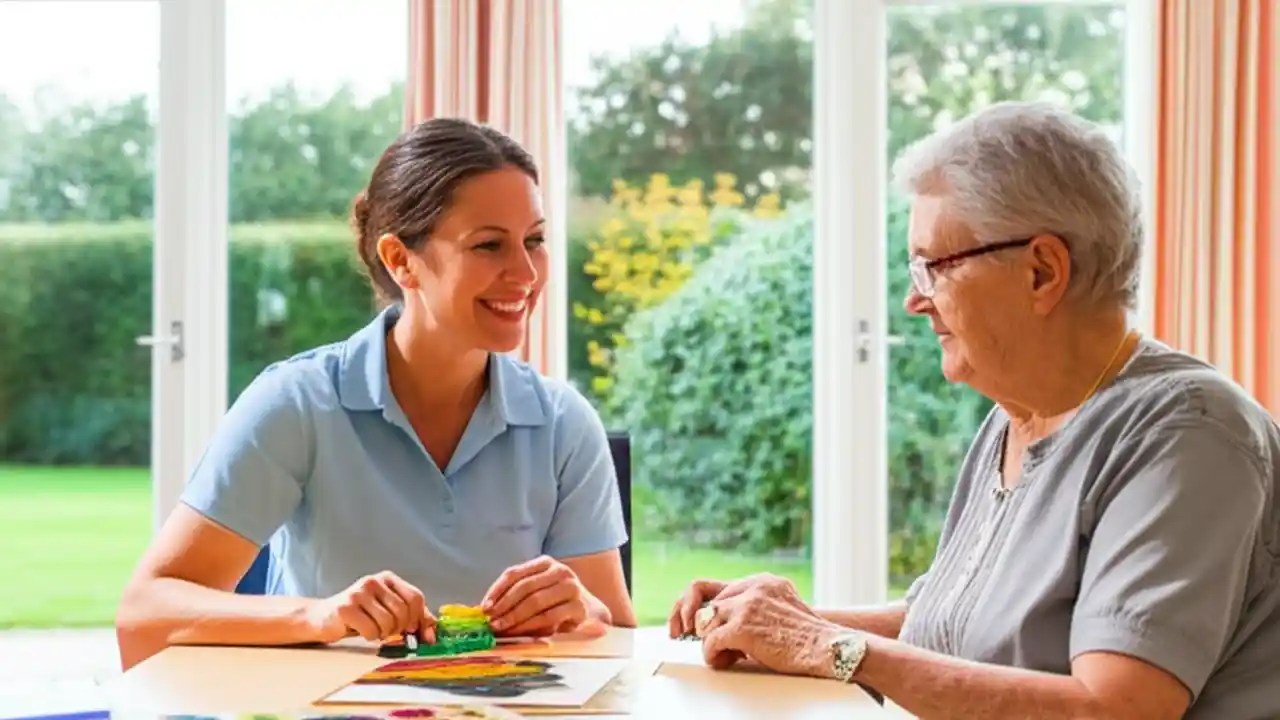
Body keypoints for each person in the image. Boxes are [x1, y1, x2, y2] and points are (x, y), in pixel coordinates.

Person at [669, 102, 1280, 719]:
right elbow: (958, 625)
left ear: (1043, 271)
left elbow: (1115, 709)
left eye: (935, 267)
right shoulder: (1021, 414)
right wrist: (780, 623)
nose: (915, 300)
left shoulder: (1190, 434)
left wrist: (827, 645)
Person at [116, 118, 636, 670]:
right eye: (489, 245)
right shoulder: (298, 404)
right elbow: (144, 616)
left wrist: (584, 612)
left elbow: (619, 645)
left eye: (534, 240)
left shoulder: (563, 423)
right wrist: (319, 617)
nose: (526, 272)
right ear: (400, 260)